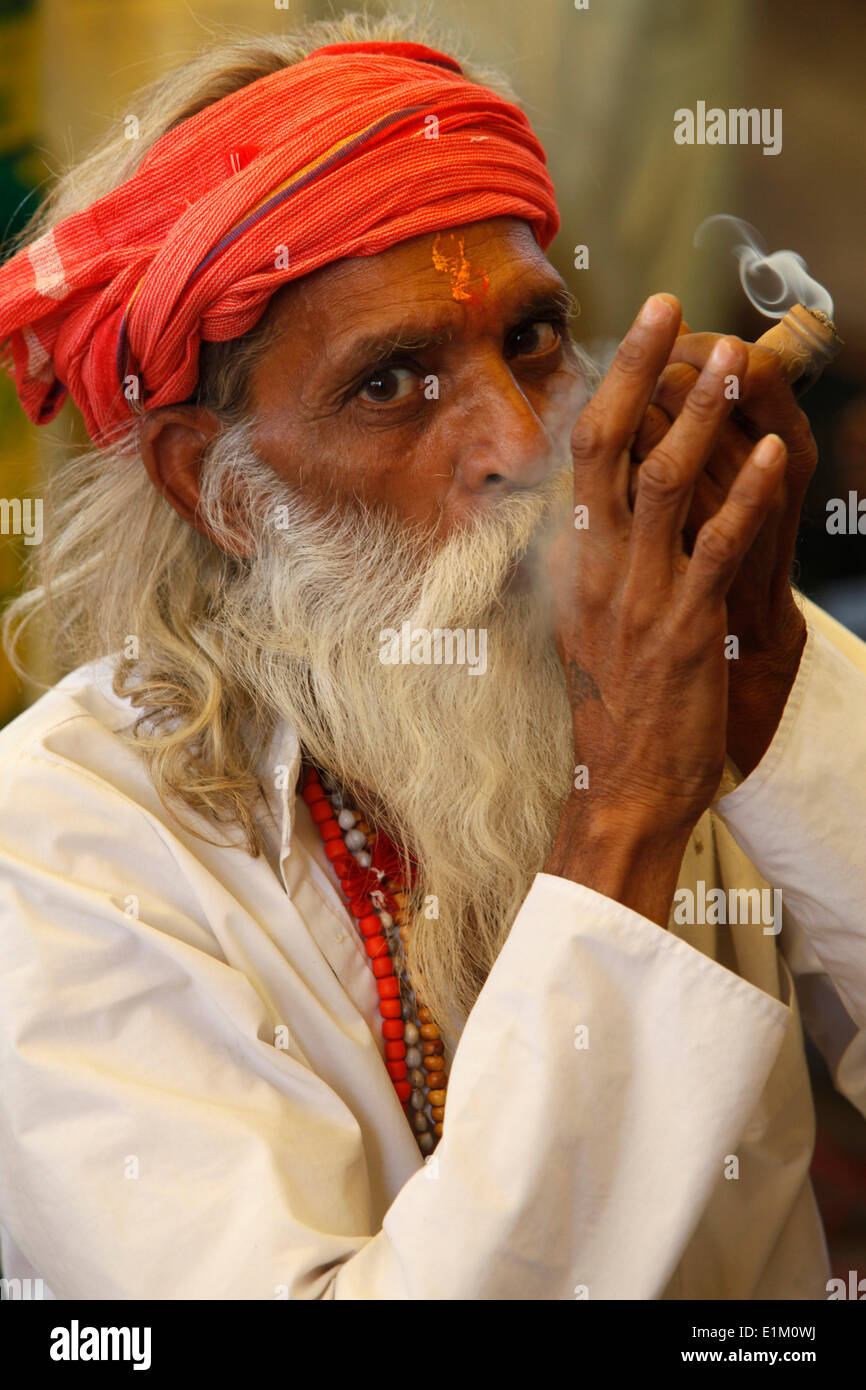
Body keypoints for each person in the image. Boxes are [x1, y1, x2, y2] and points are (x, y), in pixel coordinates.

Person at [0, 13, 863, 1300]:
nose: (519, 443)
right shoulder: (58, 848)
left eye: (528, 339)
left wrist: (770, 683)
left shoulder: (670, 663)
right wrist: (622, 816)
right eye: (393, 383)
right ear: (214, 487)